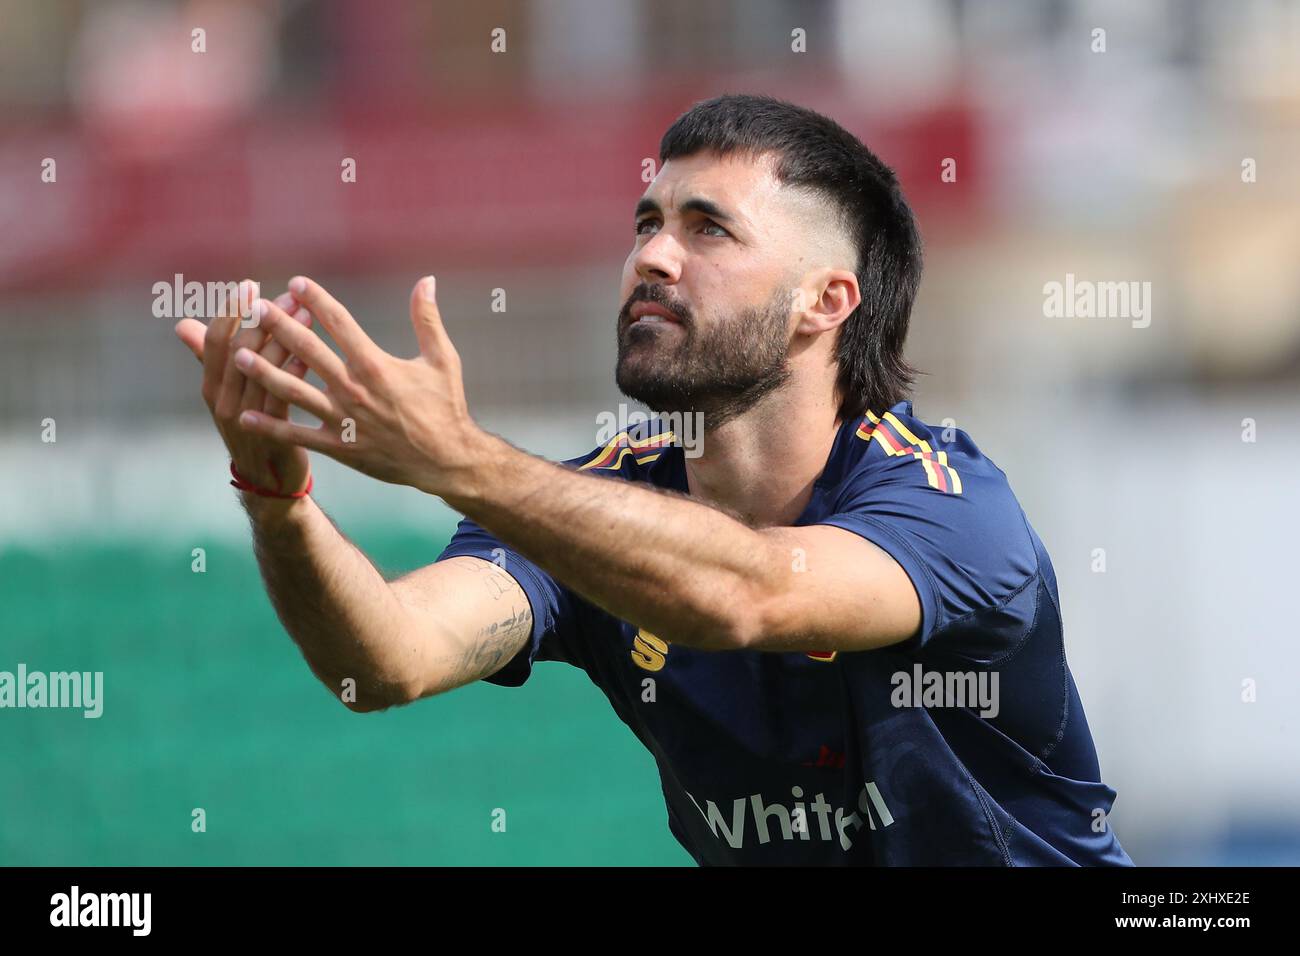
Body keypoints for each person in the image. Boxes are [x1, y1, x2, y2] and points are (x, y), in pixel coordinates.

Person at [175, 93, 1132, 866]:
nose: (650, 256)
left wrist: (456, 460)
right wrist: (276, 495)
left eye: (708, 229)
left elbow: (746, 593)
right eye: (647, 222)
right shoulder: (586, 508)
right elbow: (384, 660)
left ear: (824, 301)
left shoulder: (949, 505)